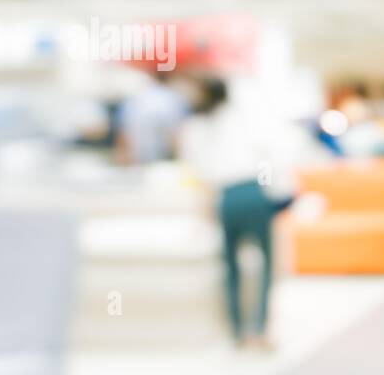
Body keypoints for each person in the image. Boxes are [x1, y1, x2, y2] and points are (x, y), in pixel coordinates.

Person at [178, 77, 294, 350]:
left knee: (230, 266)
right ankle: (261, 330)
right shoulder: (244, 120)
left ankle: (238, 332)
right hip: (254, 192)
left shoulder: (195, 128)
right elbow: (270, 156)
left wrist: (204, 213)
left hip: (226, 197)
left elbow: (200, 176)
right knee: (265, 264)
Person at [116, 69, 190, 165]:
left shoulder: (136, 98)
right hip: (164, 159)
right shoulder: (174, 99)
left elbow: (123, 131)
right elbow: (177, 134)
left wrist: (123, 155)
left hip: (137, 158)